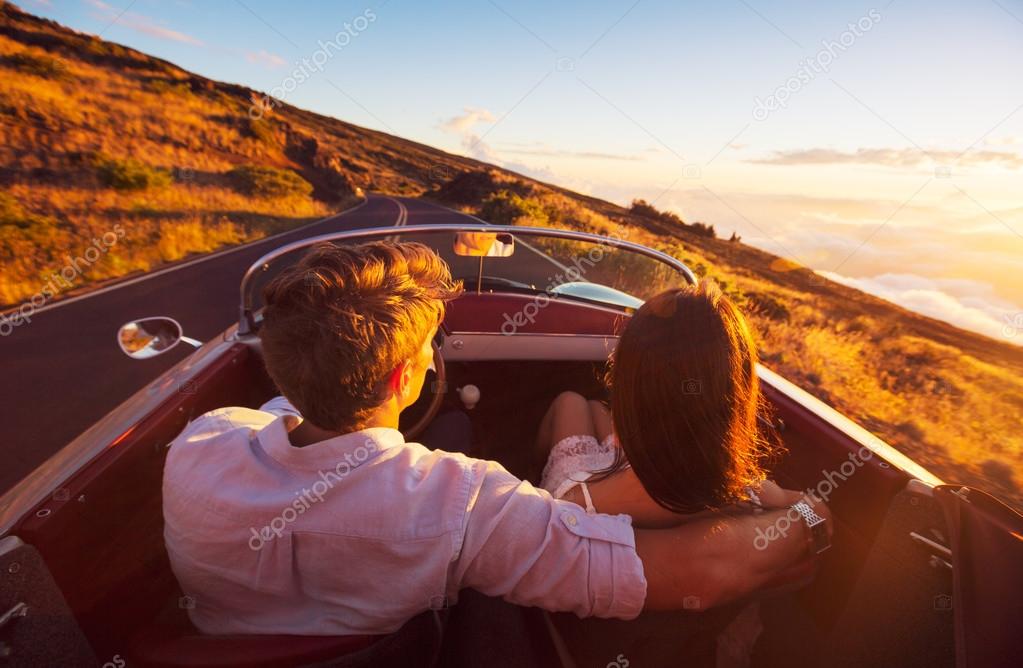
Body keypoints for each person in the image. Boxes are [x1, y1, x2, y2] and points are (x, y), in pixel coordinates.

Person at [162, 240, 829, 638]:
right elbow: (706, 574)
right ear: (406, 374)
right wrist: (807, 514)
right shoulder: (463, 504)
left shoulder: (201, 444)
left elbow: (292, 398)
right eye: (430, 347)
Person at [537, 282, 812, 524]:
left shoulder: (573, 506)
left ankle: (534, 465)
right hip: (649, 469)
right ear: (734, 408)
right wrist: (809, 525)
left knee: (570, 402)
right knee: (595, 409)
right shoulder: (750, 493)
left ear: (630, 401)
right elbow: (813, 508)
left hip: (607, 480)